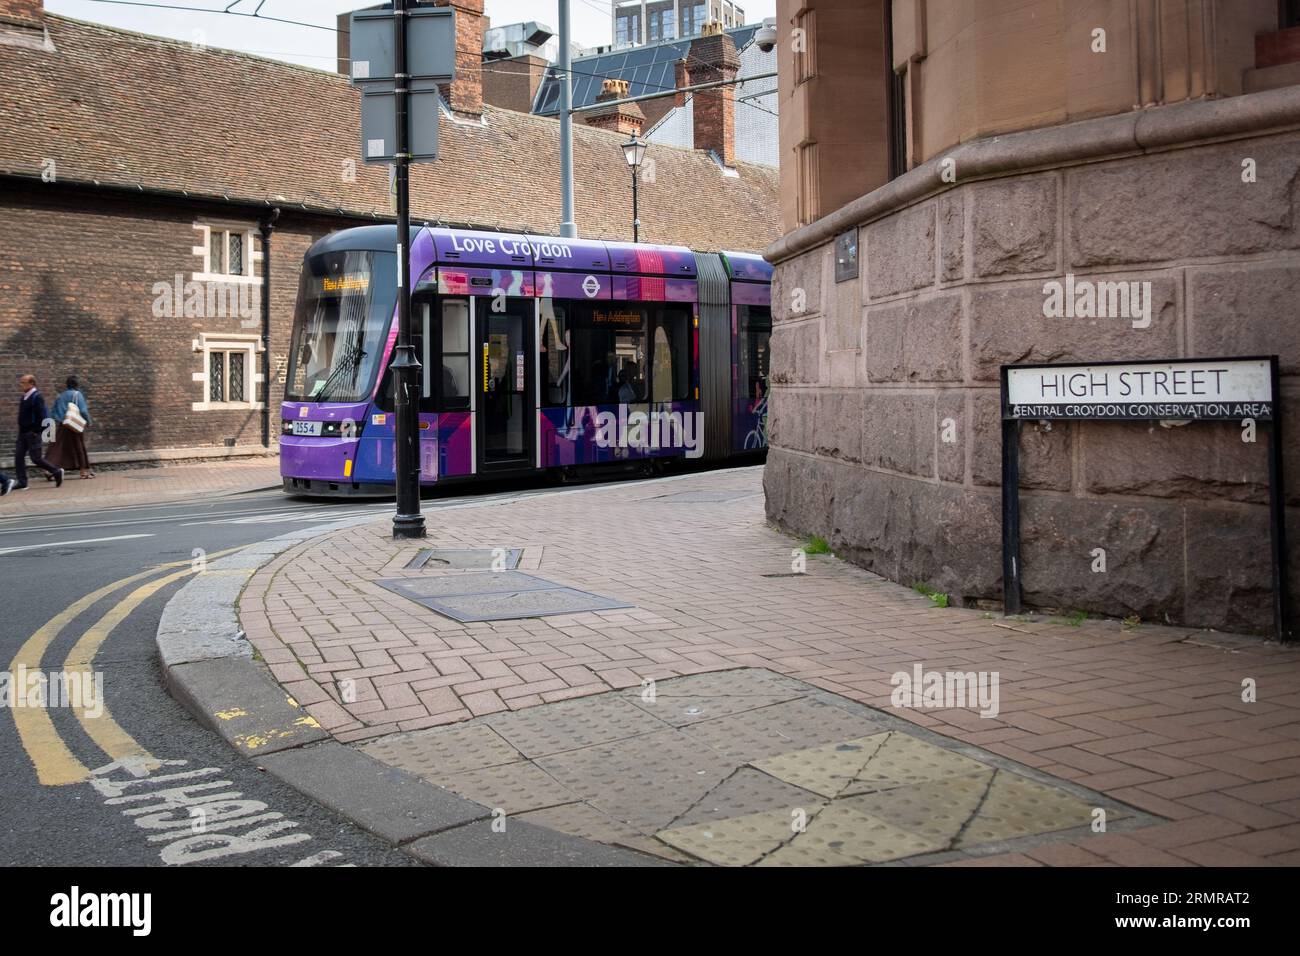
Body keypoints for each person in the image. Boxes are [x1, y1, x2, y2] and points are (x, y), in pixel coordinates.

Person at [14, 374, 63, 490]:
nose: (21, 385)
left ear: (31, 384)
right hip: (23, 433)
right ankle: (22, 482)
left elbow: (41, 416)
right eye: (21, 382)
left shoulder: (37, 397)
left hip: (32, 433)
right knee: (18, 457)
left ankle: (56, 471)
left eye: (23, 382)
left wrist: (36, 431)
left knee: (36, 458)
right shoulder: (24, 397)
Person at [48, 376, 94, 479]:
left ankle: (50, 470)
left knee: (57, 448)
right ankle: (83, 472)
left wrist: (59, 420)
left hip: (62, 425)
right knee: (79, 447)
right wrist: (88, 421)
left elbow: (53, 412)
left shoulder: (61, 396)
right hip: (74, 425)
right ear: (76, 384)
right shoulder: (77, 395)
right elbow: (83, 410)